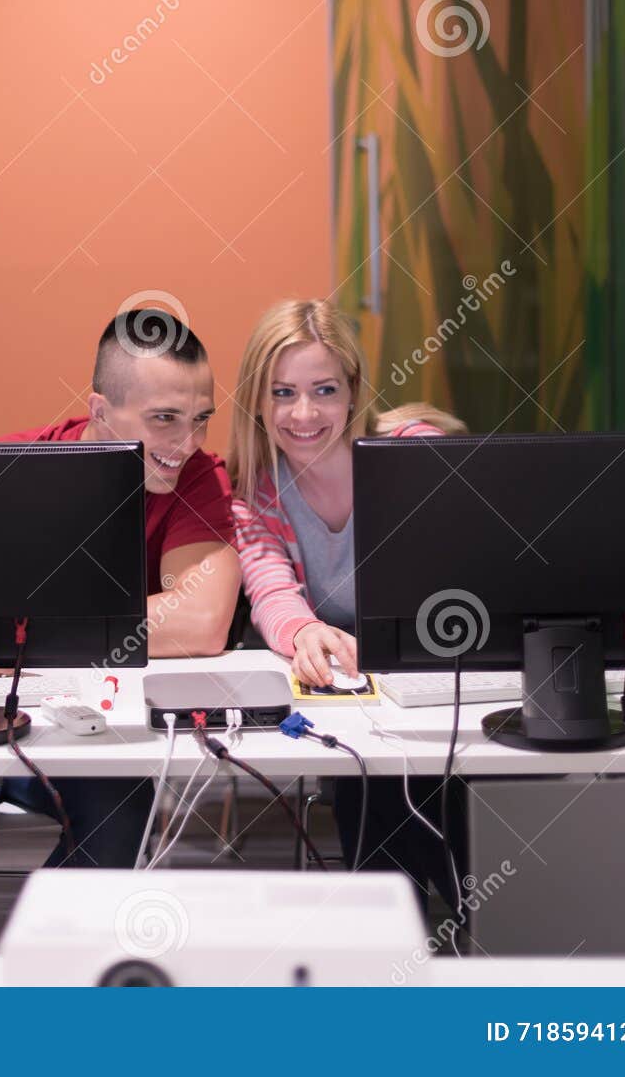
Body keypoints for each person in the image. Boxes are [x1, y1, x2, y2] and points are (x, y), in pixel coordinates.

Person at [0, 308, 242, 952]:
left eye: (200, 418)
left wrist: (21, 621)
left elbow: (203, 621)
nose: (186, 442)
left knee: (119, 824)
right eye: (164, 419)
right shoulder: (3, 471)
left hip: (84, 719)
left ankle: (25, 980)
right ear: (100, 409)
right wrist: (95, 620)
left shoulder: (198, 478)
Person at [227, 298, 466, 912]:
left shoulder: (413, 455)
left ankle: (484, 938)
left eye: (325, 390)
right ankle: (402, 945)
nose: (303, 413)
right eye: (282, 392)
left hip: (437, 677)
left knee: (455, 795)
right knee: (369, 787)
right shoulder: (256, 487)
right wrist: (304, 631)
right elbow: (269, 586)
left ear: (354, 390)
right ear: (256, 400)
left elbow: (465, 569)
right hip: (351, 695)